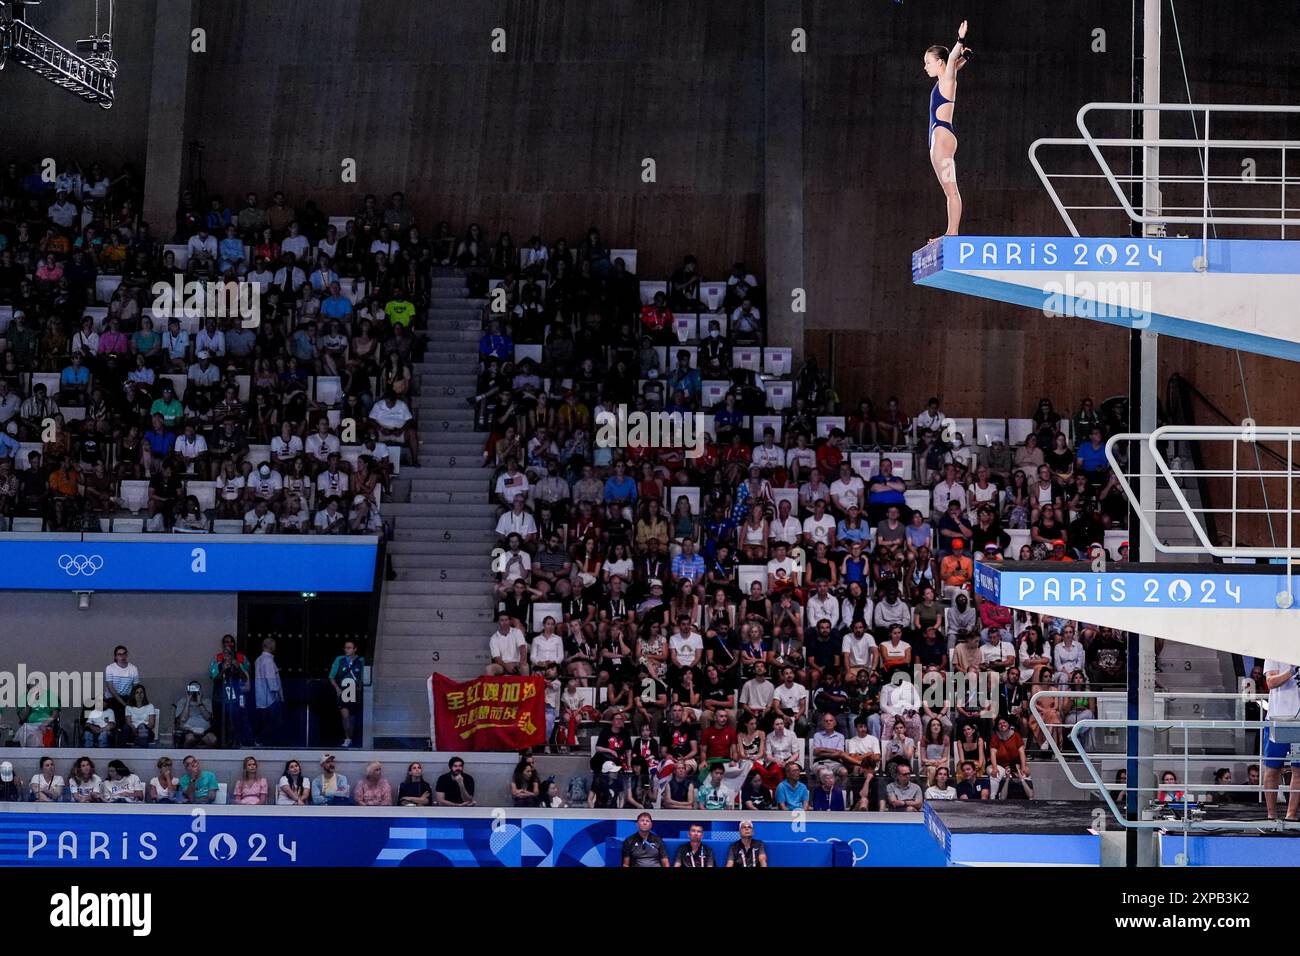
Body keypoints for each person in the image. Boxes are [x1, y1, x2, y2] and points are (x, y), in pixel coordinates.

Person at [922, 20, 971, 240]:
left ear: (940, 62)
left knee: (951, 191)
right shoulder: (946, 78)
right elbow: (955, 64)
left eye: (928, 62)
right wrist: (965, 58)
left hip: (942, 136)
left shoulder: (947, 77)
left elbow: (952, 61)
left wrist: (960, 40)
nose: (926, 67)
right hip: (940, 136)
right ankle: (951, 231)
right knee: (948, 191)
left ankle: (952, 232)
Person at [1262, 658, 1300, 822]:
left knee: (1298, 771)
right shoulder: (1274, 652)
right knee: (1272, 769)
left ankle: (1291, 816)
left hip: (1299, 722)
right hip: (1278, 720)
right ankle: (1271, 816)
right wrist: (1291, 671)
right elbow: (1270, 682)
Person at [329, 639, 365, 747]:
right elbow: (331, 676)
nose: (347, 650)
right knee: (345, 716)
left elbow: (363, 677)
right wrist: (337, 688)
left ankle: (351, 738)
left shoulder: (361, 660)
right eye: (345, 647)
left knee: (352, 717)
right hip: (343, 690)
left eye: (349, 647)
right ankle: (347, 738)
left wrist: (360, 686)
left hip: (355, 691)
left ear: (355, 649)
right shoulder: (339, 659)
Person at [253, 637, 284, 746]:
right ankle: (261, 740)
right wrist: (277, 694)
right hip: (271, 698)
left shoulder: (258, 660)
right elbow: (271, 680)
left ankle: (261, 740)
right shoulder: (268, 660)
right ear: (270, 645)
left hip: (261, 697)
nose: (275, 647)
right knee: (275, 722)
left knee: (265, 722)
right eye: (274, 644)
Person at [174, 680, 218, 748]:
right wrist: (188, 700)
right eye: (192, 688)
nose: (194, 691)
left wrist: (199, 702)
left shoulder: (206, 701)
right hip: (189, 731)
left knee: (213, 740)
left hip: (204, 731)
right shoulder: (182, 701)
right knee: (190, 739)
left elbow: (207, 717)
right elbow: (183, 719)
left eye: (196, 688)